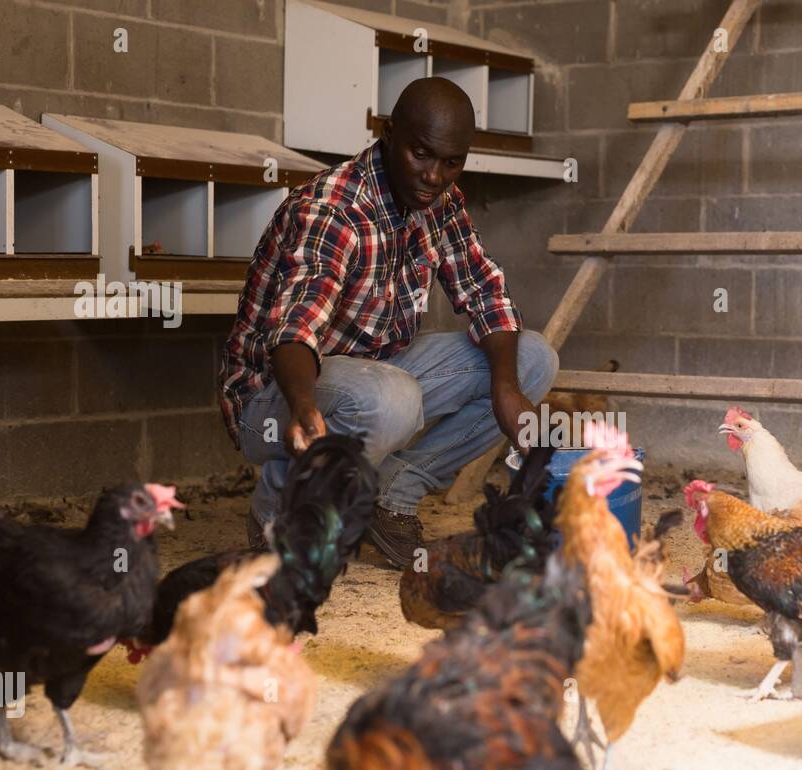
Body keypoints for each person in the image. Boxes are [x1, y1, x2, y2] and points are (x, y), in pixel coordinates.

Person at [218, 77, 557, 568]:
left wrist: (505, 388)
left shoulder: (440, 201)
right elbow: (295, 328)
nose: (435, 176)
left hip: (373, 372)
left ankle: (392, 496)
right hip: (275, 394)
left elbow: (485, 293)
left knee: (531, 359)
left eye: (452, 162)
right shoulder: (334, 209)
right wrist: (303, 405)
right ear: (387, 133)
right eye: (421, 154)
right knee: (389, 398)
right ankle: (278, 517)